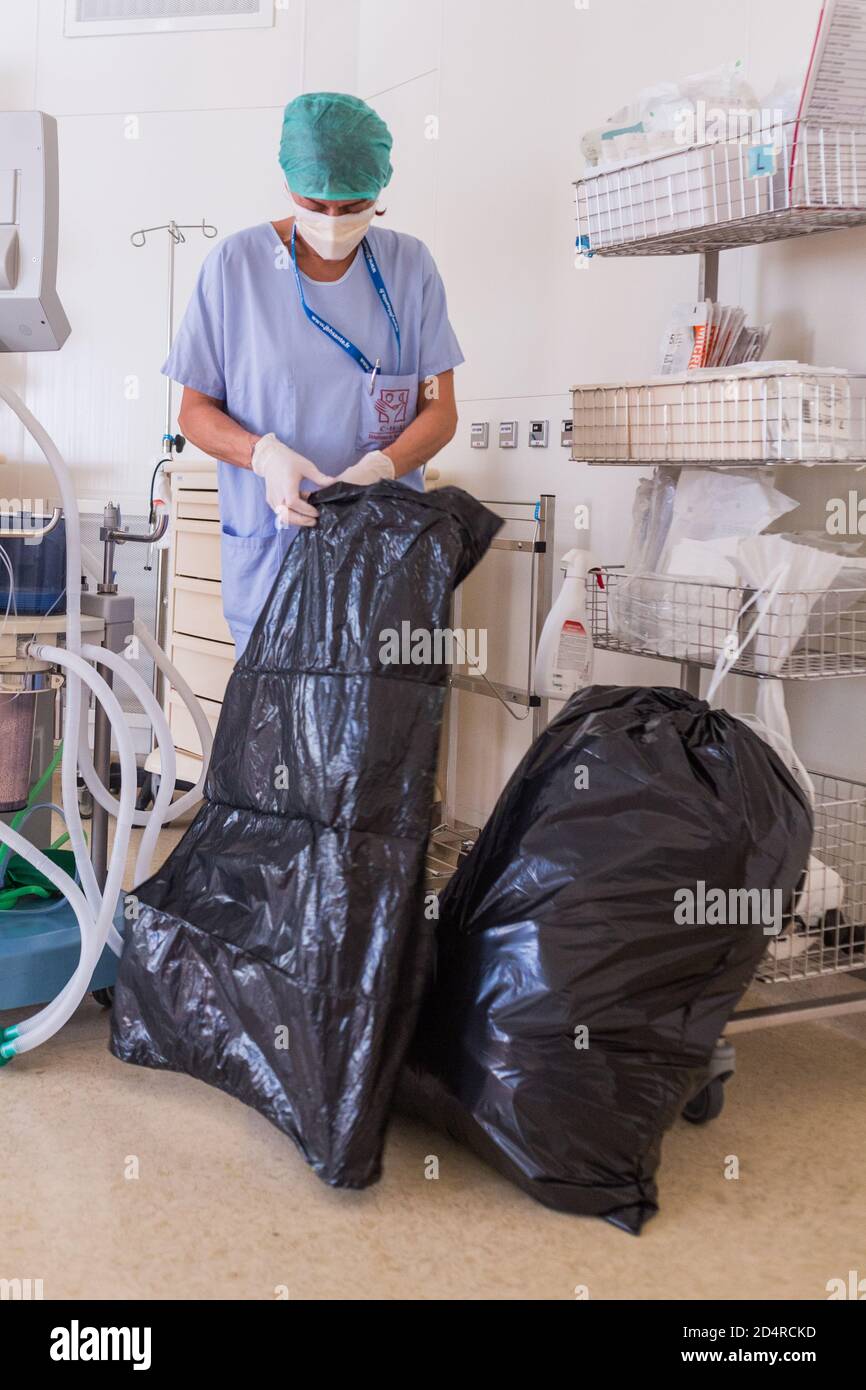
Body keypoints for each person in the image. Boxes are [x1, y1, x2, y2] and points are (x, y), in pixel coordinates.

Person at [163, 91, 463, 654]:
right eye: (316, 203)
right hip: (273, 553)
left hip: (381, 558)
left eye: (352, 207)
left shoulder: (411, 266)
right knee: (273, 733)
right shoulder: (235, 267)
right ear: (288, 184)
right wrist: (262, 455)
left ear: (378, 192)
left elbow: (439, 409)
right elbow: (195, 413)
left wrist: (381, 466)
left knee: (373, 734)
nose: (332, 220)